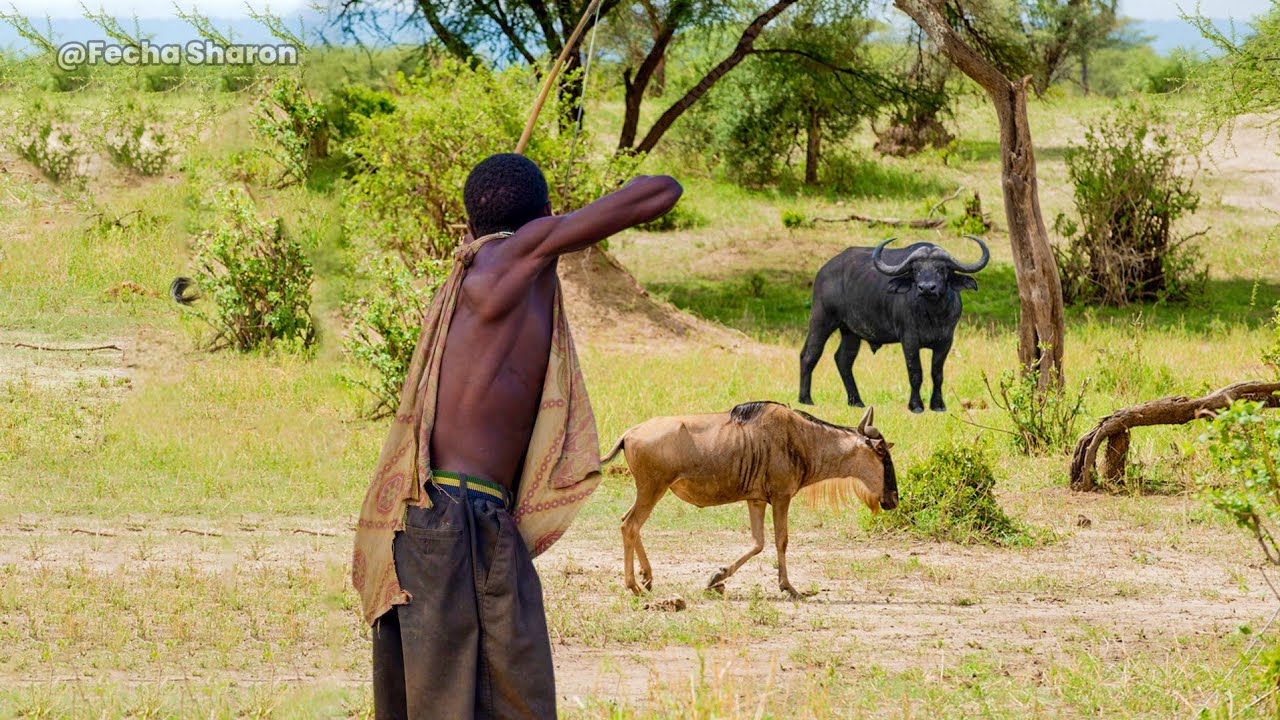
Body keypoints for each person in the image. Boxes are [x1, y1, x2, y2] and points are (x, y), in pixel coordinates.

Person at [352, 153, 683, 720]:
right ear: (541, 221)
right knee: (503, 704)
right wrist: (547, 230)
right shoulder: (515, 255)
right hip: (460, 524)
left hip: (434, 521)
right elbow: (659, 191)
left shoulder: (480, 269)